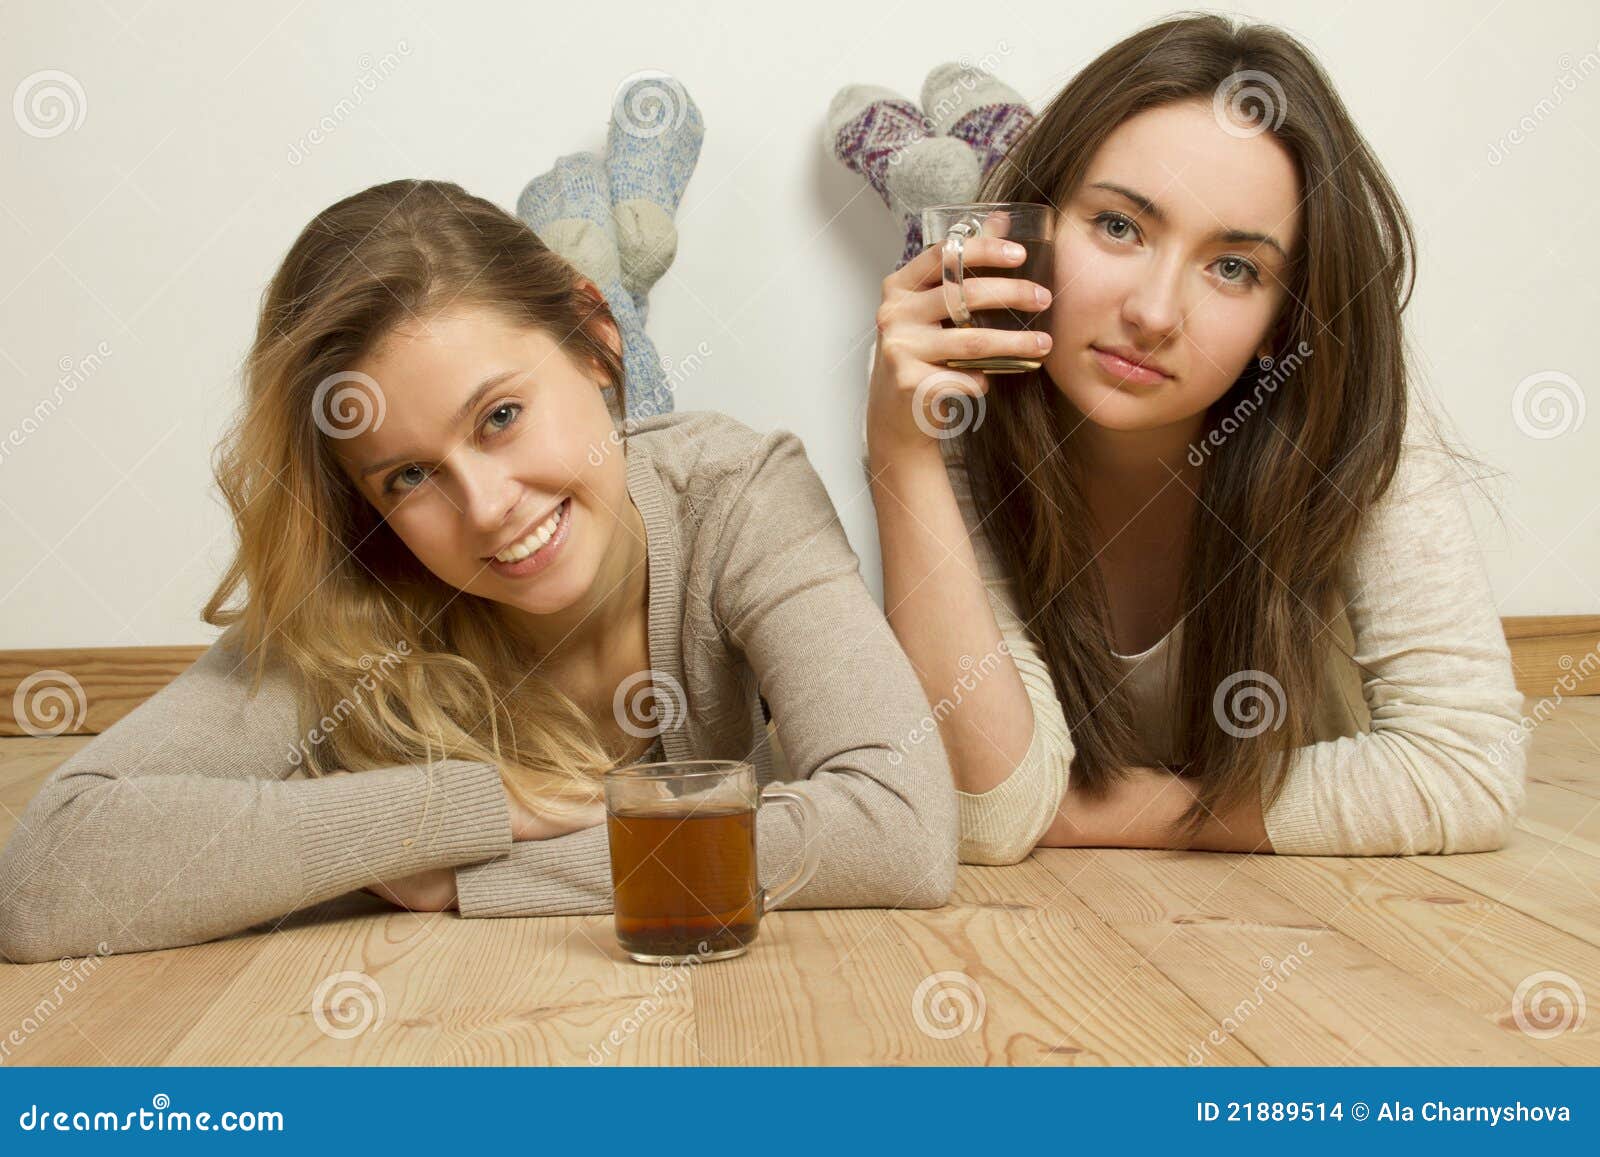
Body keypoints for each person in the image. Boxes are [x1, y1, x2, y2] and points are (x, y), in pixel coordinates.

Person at [0, 178, 955, 964]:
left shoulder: (739, 493)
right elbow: (45, 876)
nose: (488, 505)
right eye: (411, 475)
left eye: (499, 416)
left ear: (595, 338)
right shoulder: (359, 600)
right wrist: (453, 809)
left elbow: (898, 825)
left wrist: (474, 877)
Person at [854, 14, 1525, 863]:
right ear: (1034, 229)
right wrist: (897, 452)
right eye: (1120, 227)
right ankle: (983, 165)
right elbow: (992, 808)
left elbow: (1466, 771)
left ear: (1286, 321)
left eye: (1233, 267)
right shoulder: (953, 403)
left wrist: (1081, 814)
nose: (1155, 314)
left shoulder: (1350, 408)